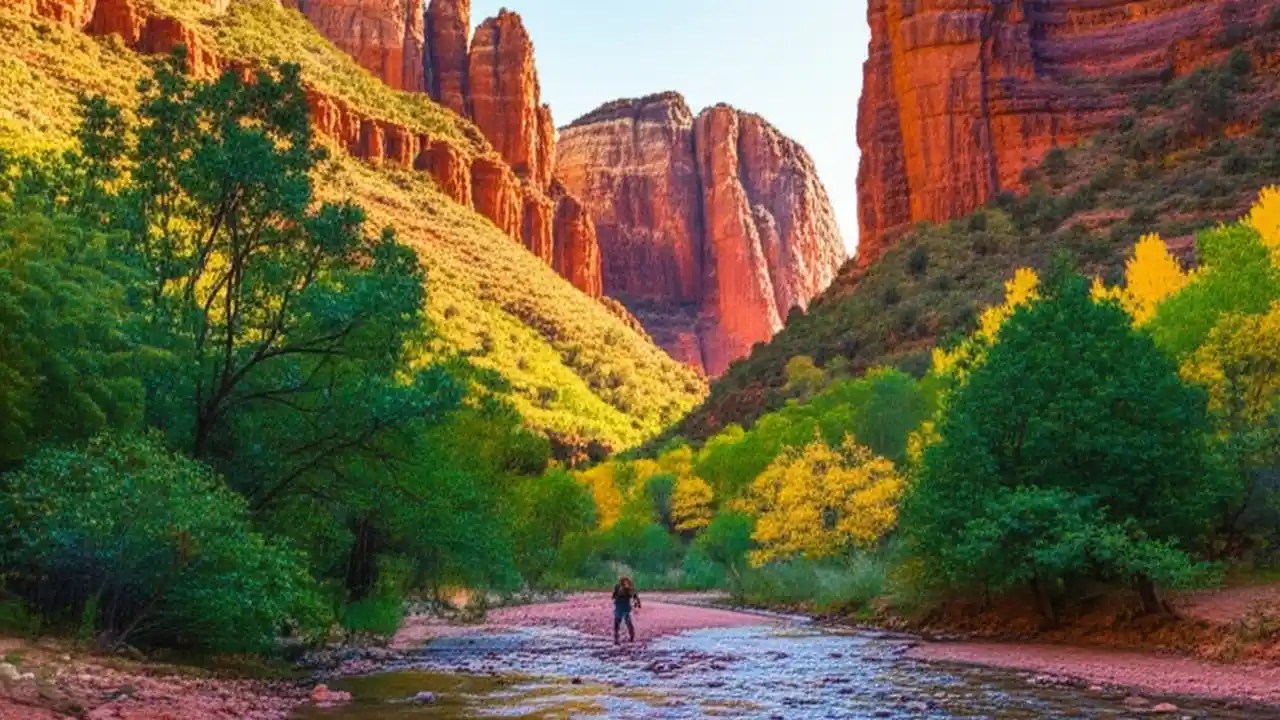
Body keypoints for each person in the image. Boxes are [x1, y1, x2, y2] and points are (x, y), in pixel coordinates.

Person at [611, 576, 641, 644]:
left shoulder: (630, 588)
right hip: (619, 606)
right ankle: (616, 638)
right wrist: (621, 592)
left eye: (626, 582)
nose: (625, 583)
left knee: (628, 622)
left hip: (626, 607)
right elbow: (613, 596)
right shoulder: (618, 587)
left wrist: (637, 603)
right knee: (617, 622)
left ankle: (631, 636)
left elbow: (635, 596)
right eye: (624, 582)